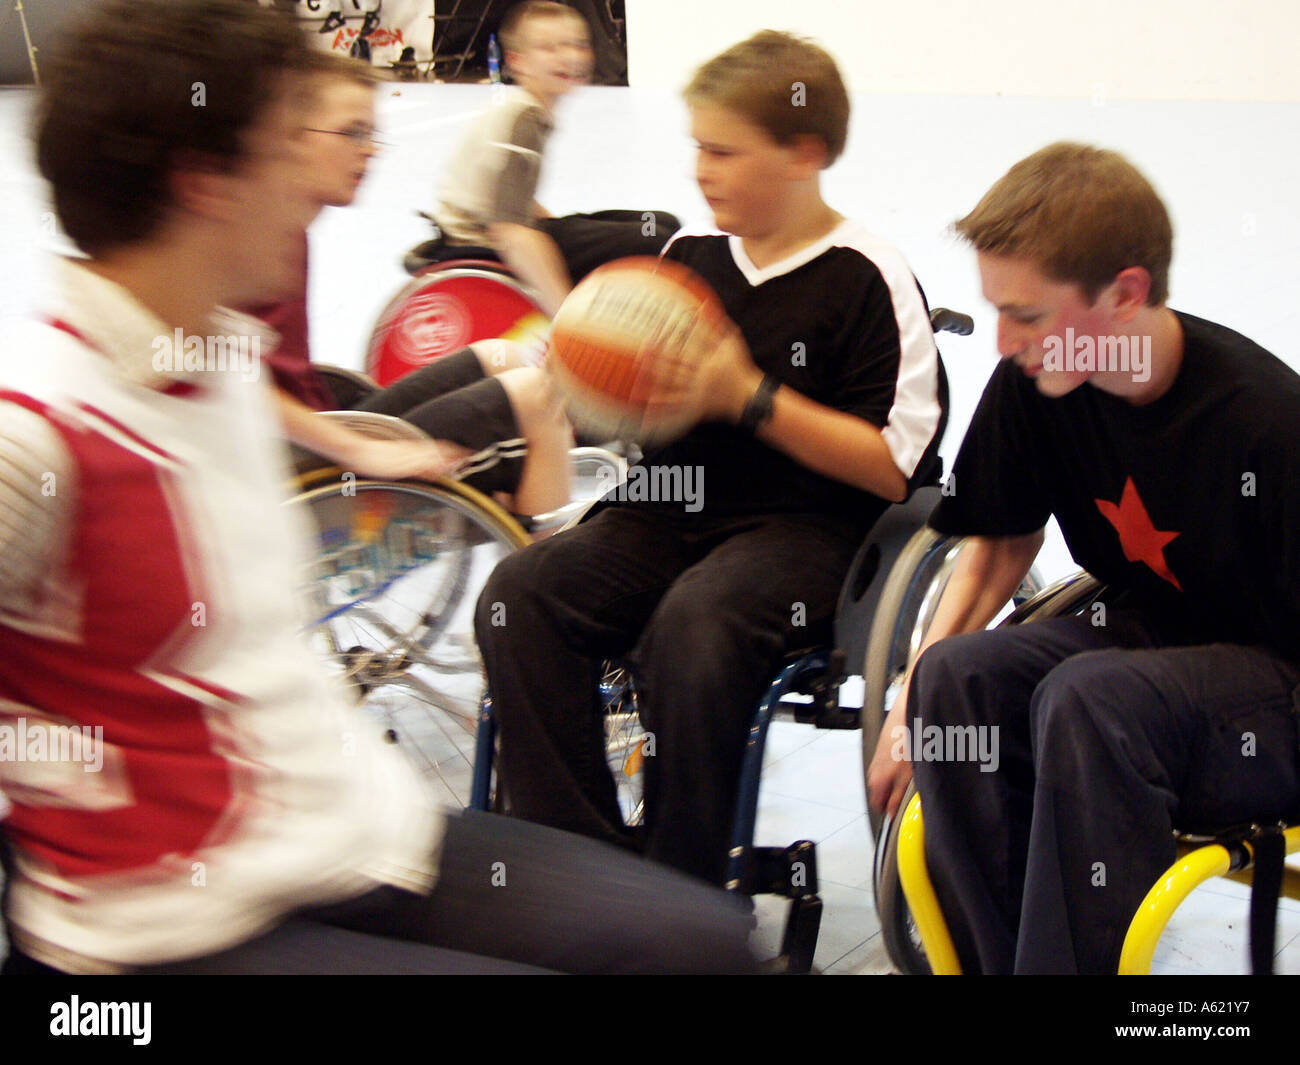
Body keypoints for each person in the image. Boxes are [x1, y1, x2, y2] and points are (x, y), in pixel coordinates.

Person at [0, 0, 759, 976]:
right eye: (287, 150)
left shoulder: (220, 356)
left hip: (350, 837)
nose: (320, 193)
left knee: (703, 947)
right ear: (205, 184)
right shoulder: (38, 436)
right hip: (164, 934)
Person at [476, 30, 946, 886]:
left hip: (804, 532)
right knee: (522, 593)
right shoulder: (684, 260)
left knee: (697, 621)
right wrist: (584, 381)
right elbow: (635, 424)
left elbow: (894, 468)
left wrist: (748, 395)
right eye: (697, 146)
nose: (702, 169)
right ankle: (575, 870)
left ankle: (682, 898)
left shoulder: (867, 276)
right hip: (665, 508)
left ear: (806, 151)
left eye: (723, 150)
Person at [866, 142, 1300, 974]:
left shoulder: (1266, 423)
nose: (1002, 341)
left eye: (1026, 314)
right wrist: (905, 704)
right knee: (955, 680)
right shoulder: (1039, 384)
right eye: (995, 311)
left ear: (1124, 294)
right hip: (1151, 648)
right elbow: (998, 549)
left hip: (1277, 692)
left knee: (1090, 697)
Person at [254, 51, 572, 518]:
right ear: (290, 136)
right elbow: (219, 384)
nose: (371, 149)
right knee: (537, 397)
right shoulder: (250, 240)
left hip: (324, 421)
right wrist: (360, 451)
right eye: (353, 132)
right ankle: (541, 577)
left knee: (505, 355)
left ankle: (527, 501)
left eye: (373, 133)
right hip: (305, 463)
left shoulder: (291, 231)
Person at [430, 0, 680, 316]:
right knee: (653, 237)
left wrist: (568, 228)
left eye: (577, 44)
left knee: (659, 222)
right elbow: (510, 231)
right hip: (479, 239)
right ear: (516, 61)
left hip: (507, 224)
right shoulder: (522, 120)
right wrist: (565, 315)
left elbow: (511, 195)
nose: (570, 57)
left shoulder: (529, 110)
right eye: (549, 48)